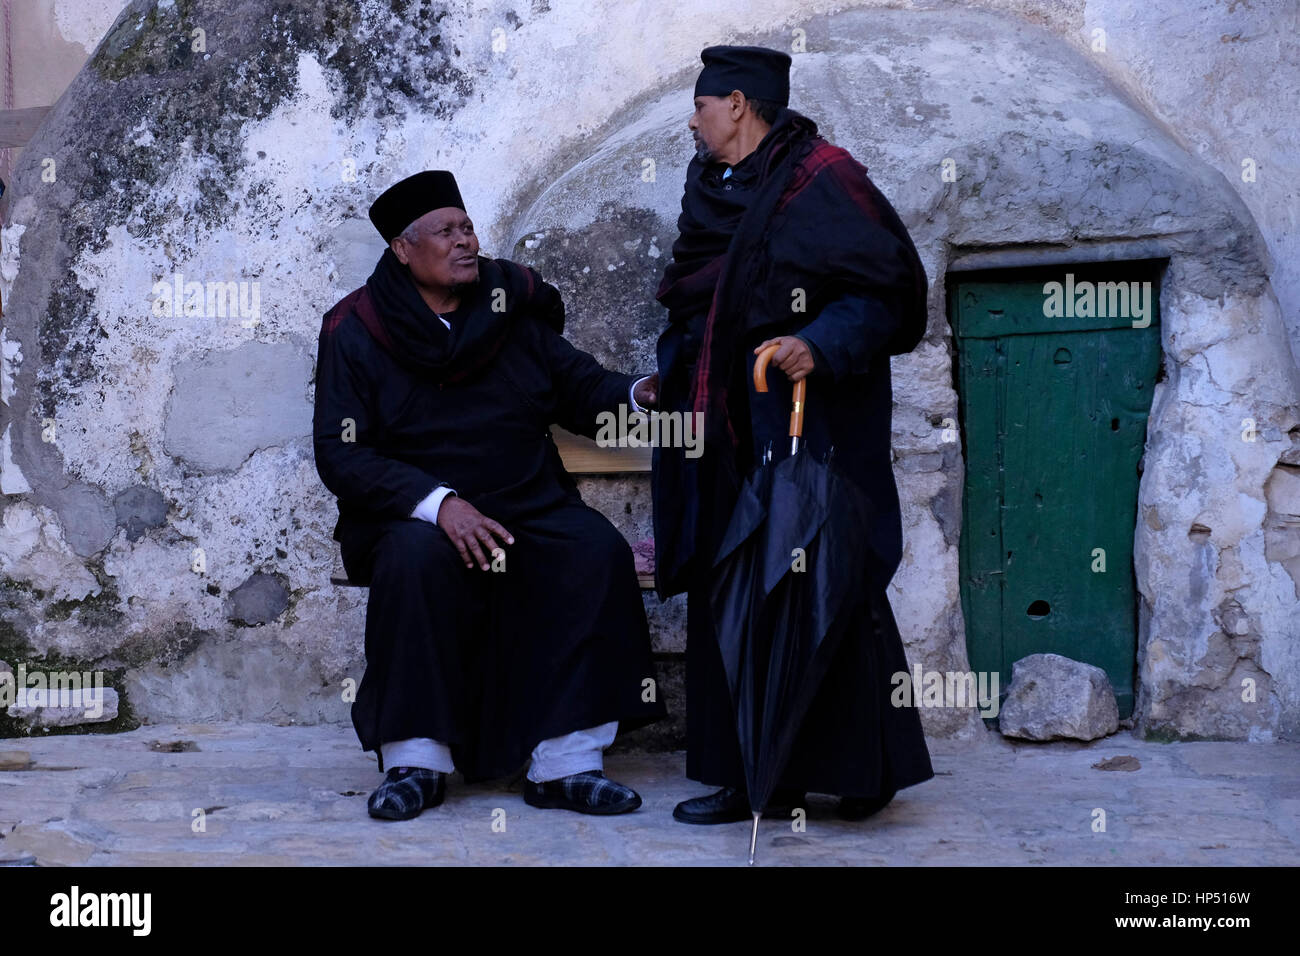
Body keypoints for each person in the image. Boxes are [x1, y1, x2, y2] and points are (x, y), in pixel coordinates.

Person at [313, 170, 665, 820]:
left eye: (467, 227)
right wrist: (440, 504)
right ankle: (417, 764)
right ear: (402, 248)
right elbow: (341, 452)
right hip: (410, 515)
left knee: (591, 551)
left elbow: (578, 387)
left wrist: (636, 393)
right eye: (445, 232)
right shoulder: (354, 330)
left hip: (524, 502)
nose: (465, 241)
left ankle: (568, 763)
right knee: (415, 562)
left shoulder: (507, 311)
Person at [652, 46, 935, 824]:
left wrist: (822, 342)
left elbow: (890, 297)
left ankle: (858, 771)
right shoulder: (708, 187)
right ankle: (751, 780)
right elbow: (693, 299)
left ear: (738, 104)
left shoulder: (825, 179)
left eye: (703, 106)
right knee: (734, 585)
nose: (693, 119)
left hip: (808, 425)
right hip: (721, 429)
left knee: (818, 582)